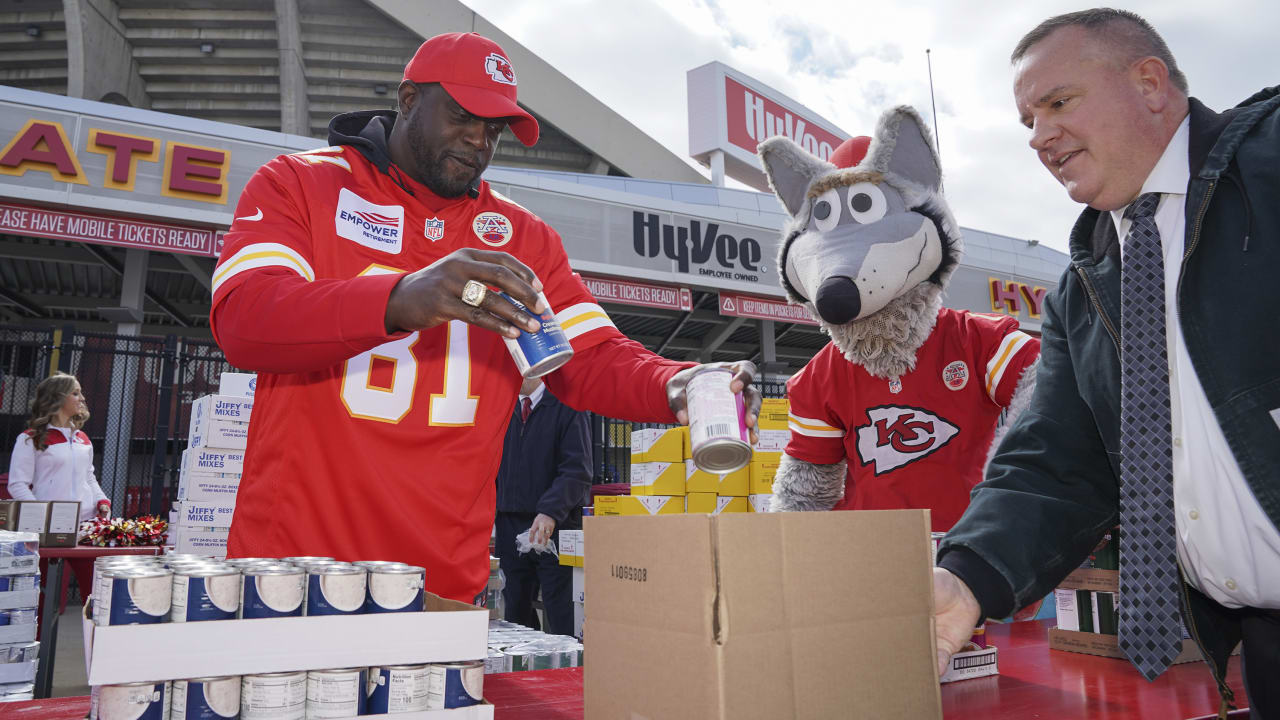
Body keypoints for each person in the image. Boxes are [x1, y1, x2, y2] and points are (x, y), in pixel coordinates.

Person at [210, 32, 759, 605]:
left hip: (439, 584)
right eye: (463, 115)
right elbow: (243, 319)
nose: (478, 139)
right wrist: (399, 298)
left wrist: (672, 381)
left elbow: (587, 356)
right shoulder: (300, 182)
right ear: (407, 101)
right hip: (289, 573)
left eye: (494, 128)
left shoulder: (523, 237)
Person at [932, 9, 1280, 717]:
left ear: (1150, 83)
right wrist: (962, 580)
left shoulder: (1270, 159)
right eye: (1028, 120)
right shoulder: (1084, 286)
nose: (1039, 136)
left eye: (1057, 102)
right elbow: (1054, 463)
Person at [7, 372, 111, 617]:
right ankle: (34, 650)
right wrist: (43, 517)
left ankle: (97, 650)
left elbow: (89, 477)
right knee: (37, 603)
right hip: (45, 531)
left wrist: (102, 501)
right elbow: (18, 485)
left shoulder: (83, 439)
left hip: (85, 528)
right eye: (75, 393)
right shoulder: (30, 439)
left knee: (96, 599)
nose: (82, 398)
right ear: (57, 398)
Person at [494, 377, 589, 635]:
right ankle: (524, 671)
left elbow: (576, 470)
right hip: (509, 526)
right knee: (514, 615)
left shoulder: (567, 407)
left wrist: (549, 511)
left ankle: (567, 671)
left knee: (561, 614)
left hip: (554, 528)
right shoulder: (501, 409)